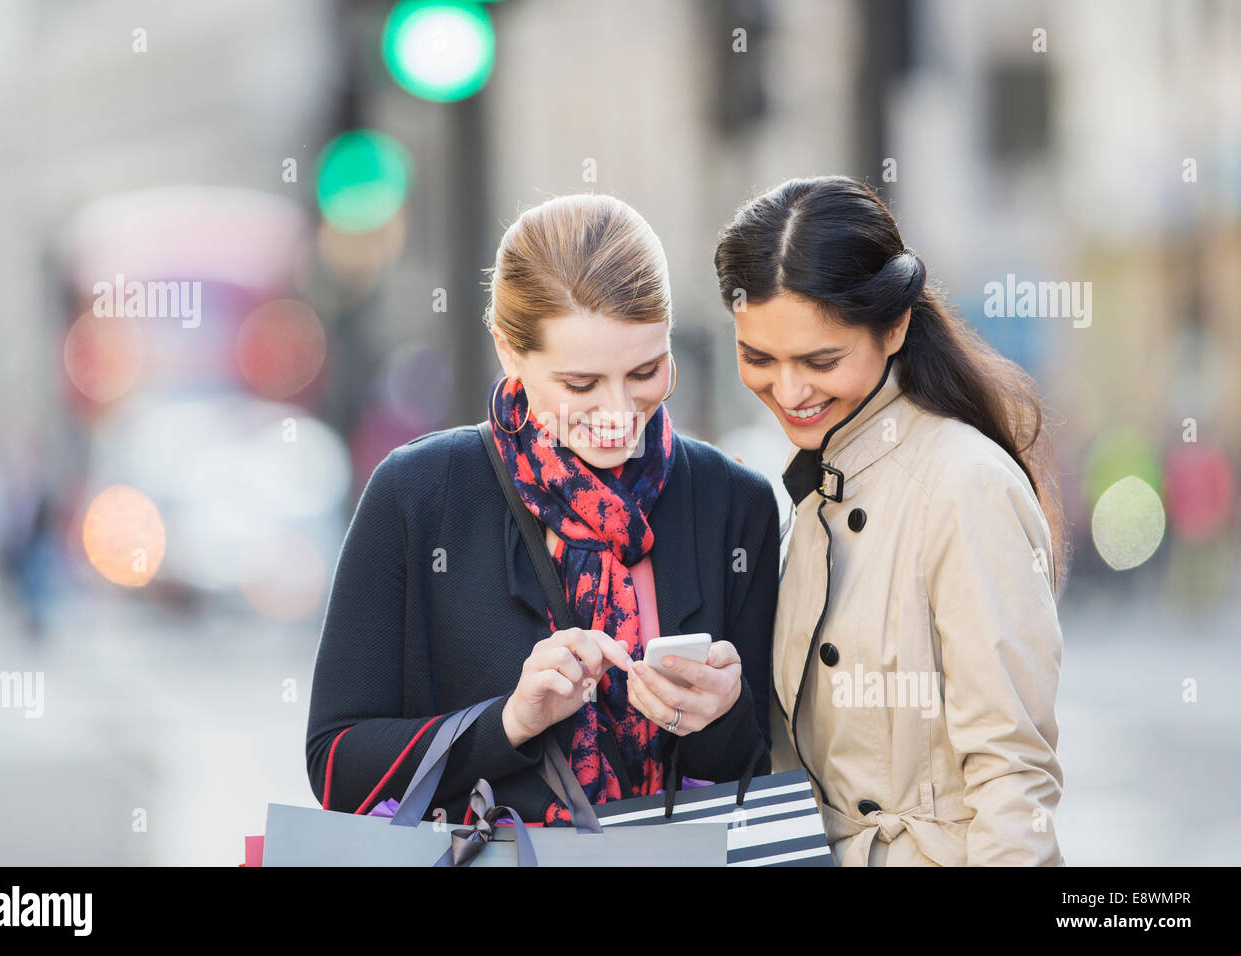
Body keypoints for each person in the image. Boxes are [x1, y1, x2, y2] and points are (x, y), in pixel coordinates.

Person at [307, 193, 777, 828]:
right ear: (509, 352)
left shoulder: (732, 503)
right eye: (580, 385)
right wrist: (510, 722)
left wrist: (722, 712)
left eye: (646, 371)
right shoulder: (420, 493)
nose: (617, 413)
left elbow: (748, 778)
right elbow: (334, 764)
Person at [713, 175, 1067, 866]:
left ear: (895, 325)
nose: (788, 391)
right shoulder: (820, 482)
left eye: (821, 361)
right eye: (758, 358)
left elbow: (1012, 775)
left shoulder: (964, 486)